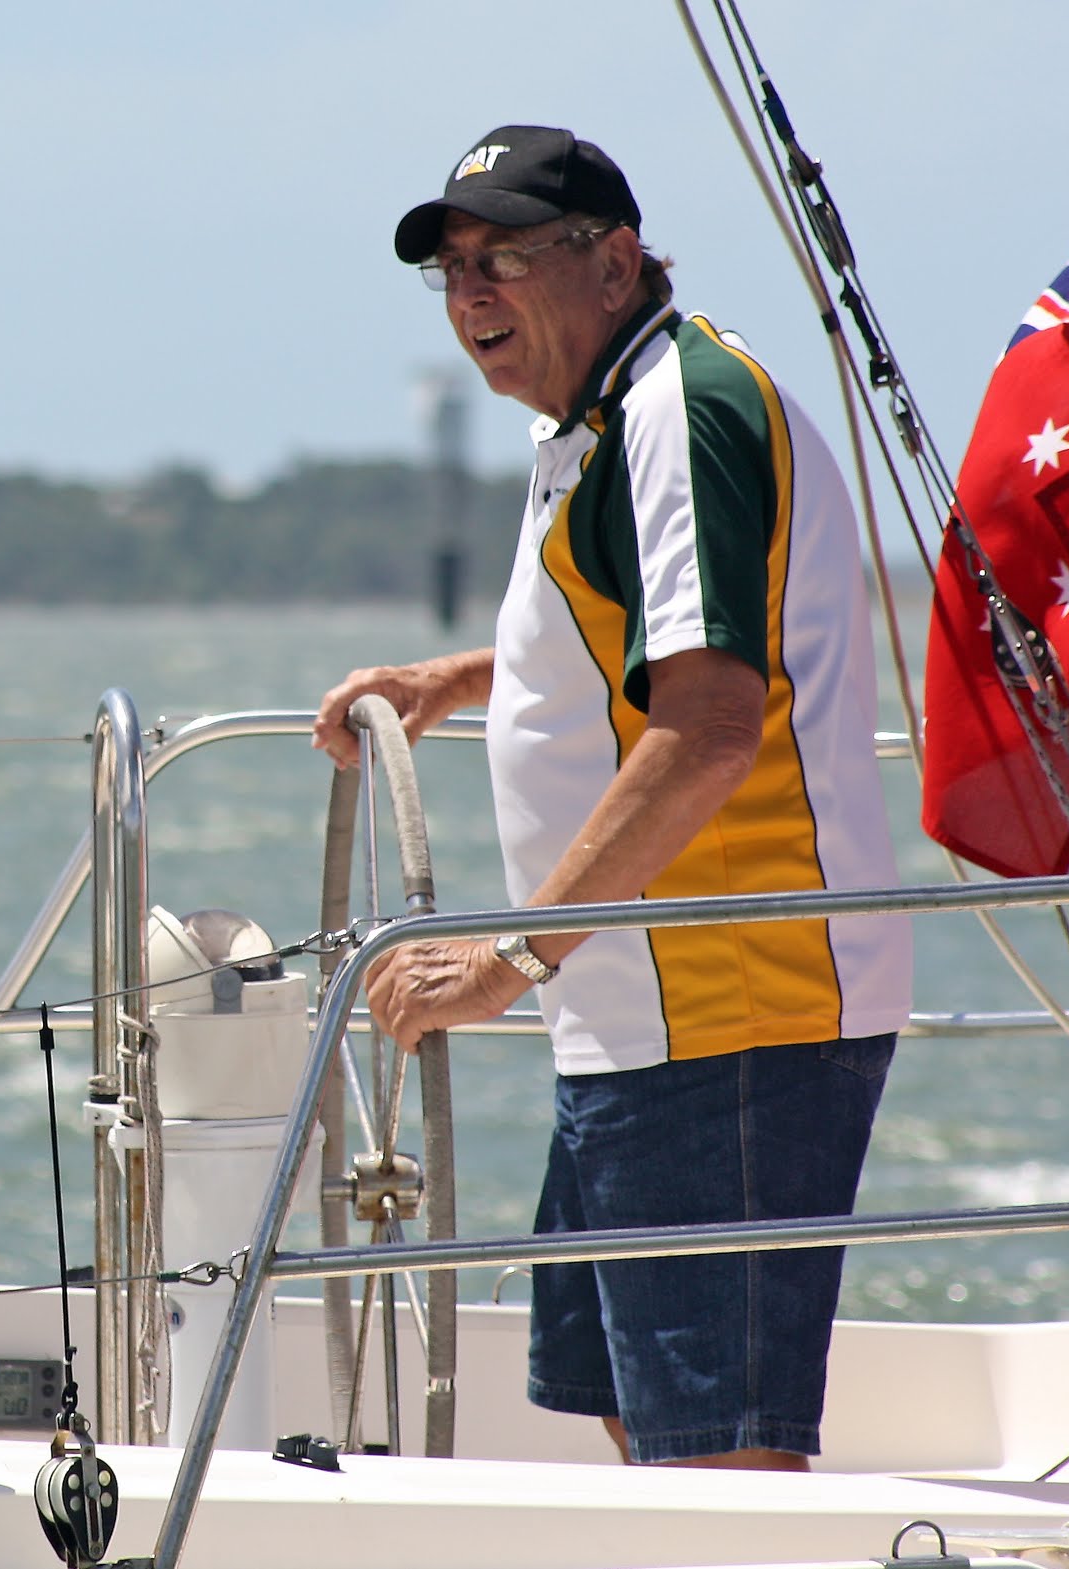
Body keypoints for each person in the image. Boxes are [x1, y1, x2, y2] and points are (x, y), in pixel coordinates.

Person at [313, 124, 911, 1471]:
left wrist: (506, 960)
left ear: (616, 261)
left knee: (721, 1455)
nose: (472, 295)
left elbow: (706, 727)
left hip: (736, 1008)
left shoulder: (679, 410)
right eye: (452, 268)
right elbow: (634, 644)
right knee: (635, 1406)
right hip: (641, 1011)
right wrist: (453, 680)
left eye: (505, 259)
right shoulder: (600, 421)